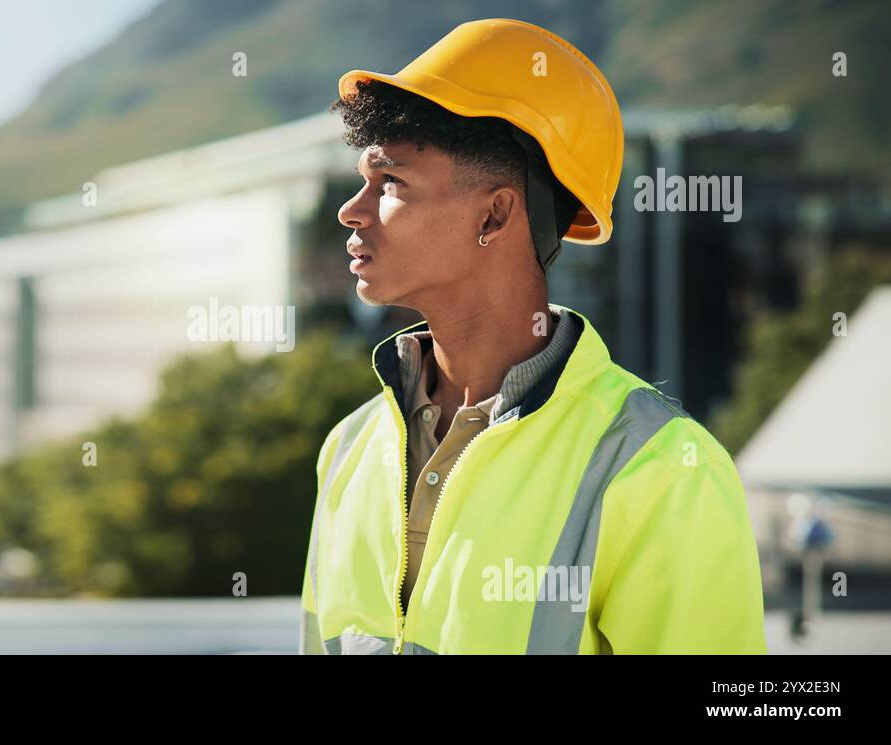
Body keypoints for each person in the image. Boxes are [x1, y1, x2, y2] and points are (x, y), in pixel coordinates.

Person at [299, 18, 767, 654]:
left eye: (391, 184)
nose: (351, 210)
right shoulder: (348, 447)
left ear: (495, 214)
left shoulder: (661, 468)